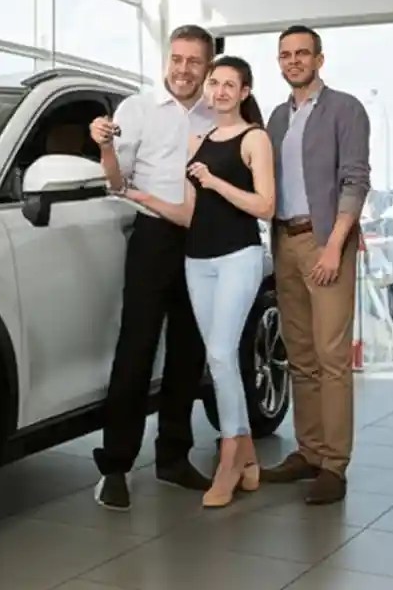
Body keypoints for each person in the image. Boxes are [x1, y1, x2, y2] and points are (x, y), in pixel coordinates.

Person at [122, 55, 275, 508]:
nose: (220, 91)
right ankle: (246, 454)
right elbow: (189, 213)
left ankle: (230, 456)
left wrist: (214, 182)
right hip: (197, 260)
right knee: (218, 356)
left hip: (238, 257)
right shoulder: (197, 141)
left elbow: (265, 205)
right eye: (215, 83)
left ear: (245, 92)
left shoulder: (255, 138)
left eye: (230, 84)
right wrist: (140, 196)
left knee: (222, 355)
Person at [88, 25, 218, 510]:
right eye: (177, 59)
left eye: (194, 62)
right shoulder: (137, 110)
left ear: (207, 68)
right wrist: (102, 145)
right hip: (153, 238)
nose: (184, 70)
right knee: (136, 349)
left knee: (188, 351)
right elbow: (117, 180)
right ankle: (116, 466)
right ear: (168, 60)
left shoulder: (216, 112)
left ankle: (173, 458)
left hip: (202, 237)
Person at [258, 25, 371, 505]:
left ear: (319, 59)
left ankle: (334, 465)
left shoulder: (345, 109)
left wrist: (334, 245)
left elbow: (355, 180)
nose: (294, 61)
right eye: (286, 54)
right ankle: (308, 451)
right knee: (299, 356)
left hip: (326, 243)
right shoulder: (277, 119)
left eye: (303, 53)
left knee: (330, 357)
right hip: (284, 242)